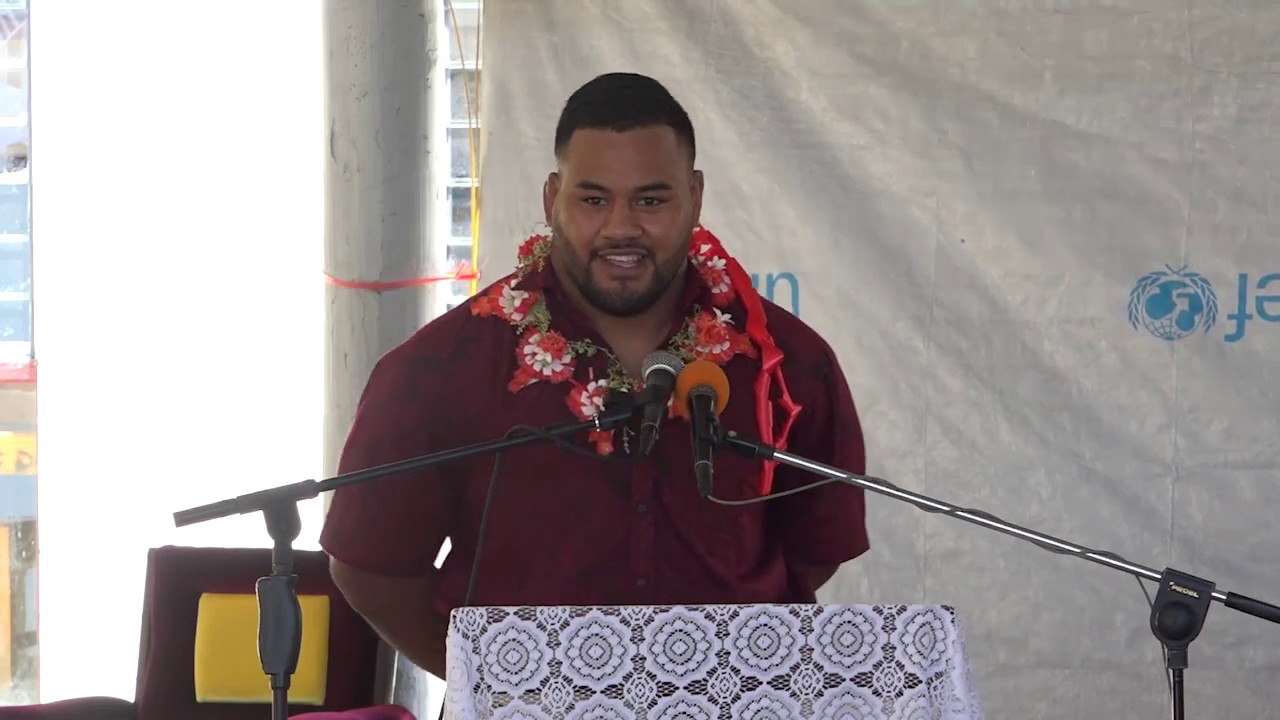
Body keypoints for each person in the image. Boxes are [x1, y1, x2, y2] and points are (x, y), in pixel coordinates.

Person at [319, 72, 869, 679]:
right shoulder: (442, 368)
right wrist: (494, 685)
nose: (620, 228)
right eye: (593, 198)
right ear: (552, 198)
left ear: (696, 195)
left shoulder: (785, 362)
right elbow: (371, 568)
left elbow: (813, 552)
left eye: (651, 200)